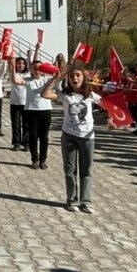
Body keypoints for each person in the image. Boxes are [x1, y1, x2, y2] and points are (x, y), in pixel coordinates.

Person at [42, 67, 102, 213]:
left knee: (86, 170)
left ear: (83, 78)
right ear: (68, 79)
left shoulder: (90, 95)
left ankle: (86, 201)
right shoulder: (65, 95)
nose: (75, 78)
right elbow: (44, 94)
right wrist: (55, 78)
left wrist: (112, 119)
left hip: (87, 137)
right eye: (71, 76)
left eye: (78, 75)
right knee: (70, 169)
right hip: (69, 135)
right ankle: (72, 200)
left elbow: (107, 105)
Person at [12, 59, 54, 169]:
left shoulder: (47, 79)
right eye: (34, 68)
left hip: (45, 111)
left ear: (43, 70)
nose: (37, 70)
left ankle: (43, 160)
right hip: (31, 111)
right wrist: (12, 68)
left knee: (44, 137)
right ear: (31, 69)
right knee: (33, 136)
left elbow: (59, 77)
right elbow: (15, 80)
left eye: (39, 68)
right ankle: (35, 159)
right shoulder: (27, 80)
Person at [8, 57, 28, 151]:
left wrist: (36, 49)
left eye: (23, 63)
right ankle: (16, 142)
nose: (21, 65)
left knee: (26, 124)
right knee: (16, 124)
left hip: (26, 103)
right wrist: (12, 66)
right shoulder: (13, 72)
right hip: (15, 102)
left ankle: (26, 143)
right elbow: (13, 79)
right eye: (19, 63)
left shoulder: (28, 74)